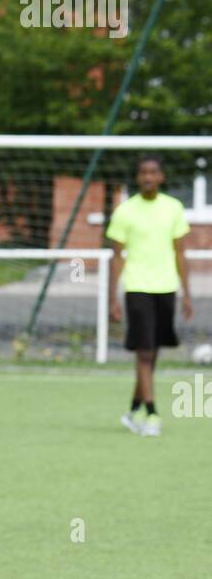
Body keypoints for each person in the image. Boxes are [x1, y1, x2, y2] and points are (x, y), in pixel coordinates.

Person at [107, 154, 193, 437]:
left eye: (153, 172)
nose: (148, 177)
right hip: (137, 288)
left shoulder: (173, 208)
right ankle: (153, 414)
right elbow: (116, 257)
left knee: (152, 353)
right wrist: (112, 298)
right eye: (143, 172)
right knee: (144, 352)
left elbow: (180, 252)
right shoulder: (125, 211)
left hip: (166, 287)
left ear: (161, 177)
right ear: (137, 177)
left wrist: (187, 294)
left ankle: (133, 409)